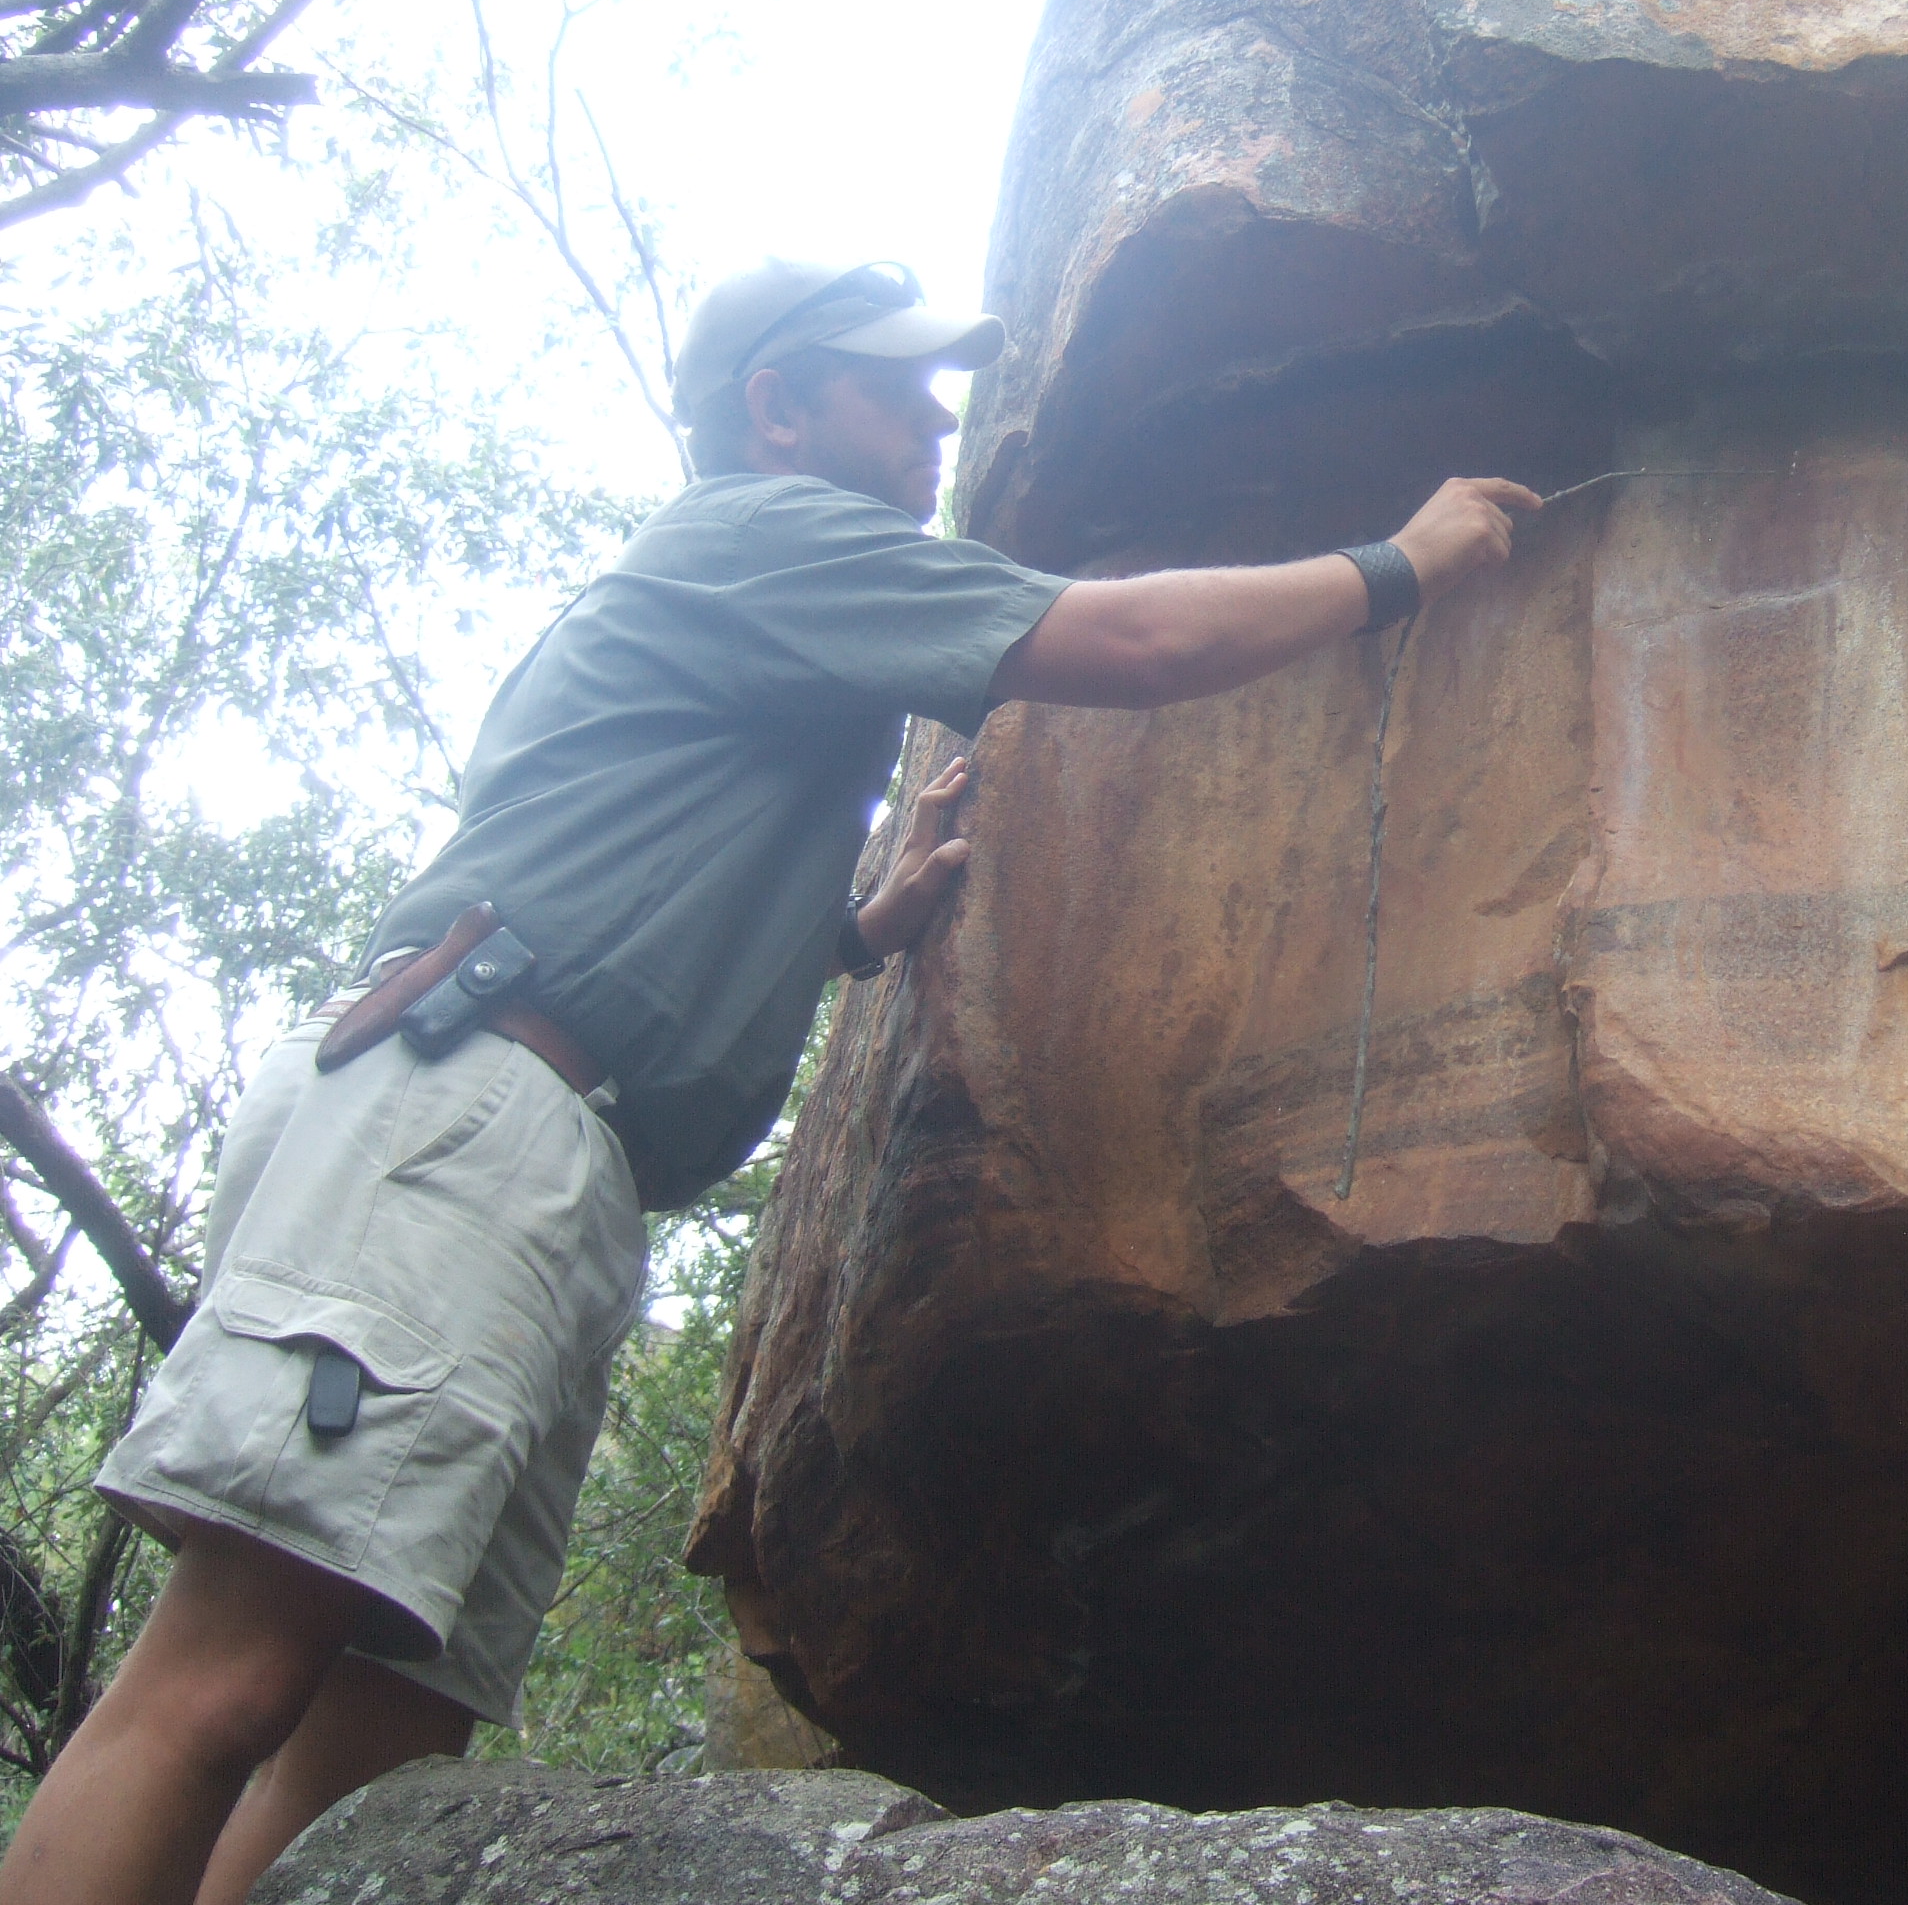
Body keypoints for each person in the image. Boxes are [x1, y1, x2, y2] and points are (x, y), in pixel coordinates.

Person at [0, 257, 1541, 1905]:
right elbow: (1135, 638)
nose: (937, 415)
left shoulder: (730, 591)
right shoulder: (761, 533)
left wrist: (852, 933)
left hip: (530, 1156)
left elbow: (628, 876)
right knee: (227, 1680)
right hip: (456, 1127)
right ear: (779, 410)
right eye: (896, 384)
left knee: (374, 1737)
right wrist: (1403, 562)